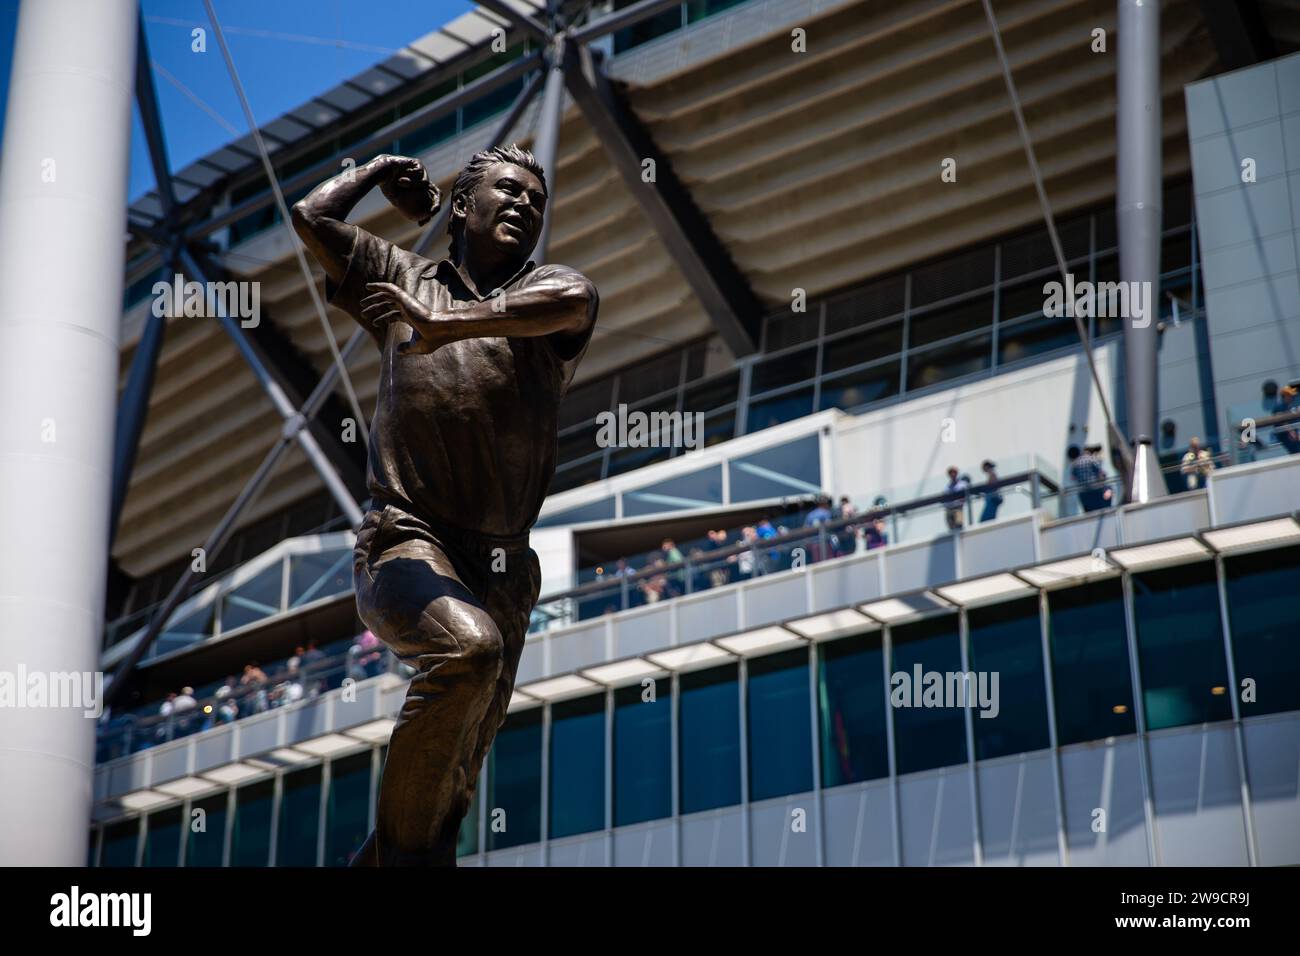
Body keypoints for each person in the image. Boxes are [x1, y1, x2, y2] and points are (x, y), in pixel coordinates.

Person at [293, 143, 598, 866]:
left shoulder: (545, 289)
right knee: (467, 652)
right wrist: (376, 170)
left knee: (456, 777)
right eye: (507, 189)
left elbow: (575, 301)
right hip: (406, 538)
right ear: (462, 205)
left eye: (536, 198)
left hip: (503, 568)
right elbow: (310, 217)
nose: (525, 203)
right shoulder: (402, 276)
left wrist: (447, 326)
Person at [1071, 443, 1113, 512]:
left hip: (1083, 492)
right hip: (1095, 490)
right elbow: (1101, 474)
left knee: (1090, 512)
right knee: (1109, 490)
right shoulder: (1091, 459)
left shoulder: (1075, 463)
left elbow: (1073, 477)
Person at [942, 467, 969, 531]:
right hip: (949, 509)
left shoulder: (962, 484)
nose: (952, 475)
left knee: (959, 526)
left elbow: (966, 495)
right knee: (951, 529)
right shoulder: (947, 487)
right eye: (950, 473)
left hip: (958, 508)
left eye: (954, 473)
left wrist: (962, 500)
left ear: (956, 473)